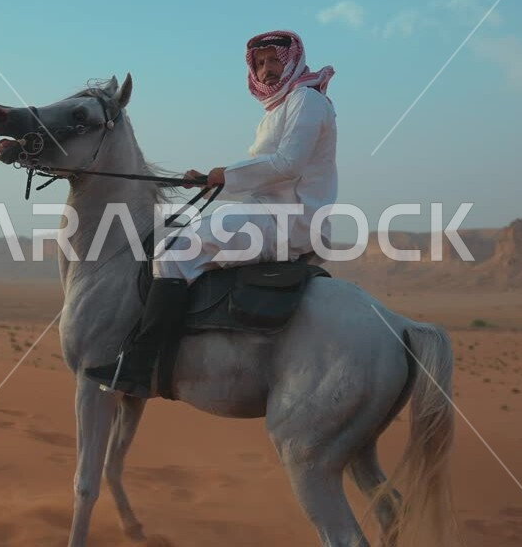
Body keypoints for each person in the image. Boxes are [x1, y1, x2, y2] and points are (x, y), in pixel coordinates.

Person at [84, 29, 338, 398]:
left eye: (275, 61)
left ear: (293, 61)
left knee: (173, 254)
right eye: (261, 62)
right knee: (184, 236)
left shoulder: (306, 100)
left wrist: (225, 175)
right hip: (269, 212)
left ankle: (141, 365)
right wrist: (209, 180)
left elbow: (288, 164)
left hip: (289, 221)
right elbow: (267, 172)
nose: (267, 69)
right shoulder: (281, 108)